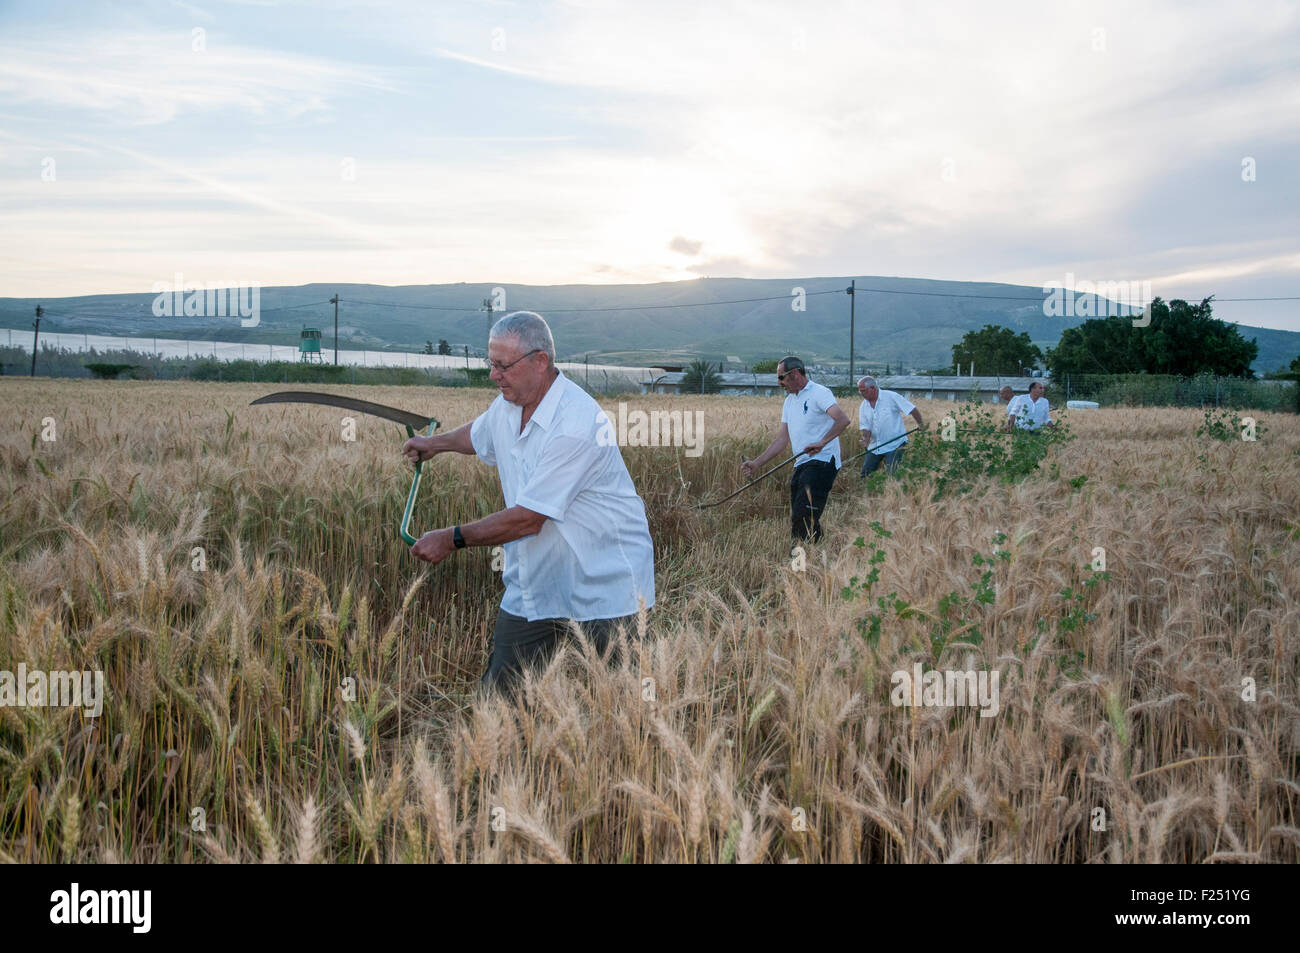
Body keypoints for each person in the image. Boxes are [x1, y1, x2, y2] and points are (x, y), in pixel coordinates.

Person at [401, 311, 655, 696]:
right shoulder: (508, 403)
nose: (493, 375)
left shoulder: (576, 422)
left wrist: (451, 538)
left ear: (540, 361)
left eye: (503, 366)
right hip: (536, 578)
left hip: (604, 581)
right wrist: (435, 444)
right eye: (491, 364)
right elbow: (481, 433)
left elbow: (528, 519)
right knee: (501, 699)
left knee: (624, 701)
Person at [741, 356, 850, 543]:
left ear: (795, 374)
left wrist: (822, 442)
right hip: (802, 462)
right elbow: (782, 440)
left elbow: (843, 420)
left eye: (781, 377)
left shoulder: (819, 393)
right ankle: (818, 550)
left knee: (803, 513)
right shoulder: (789, 402)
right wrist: (756, 463)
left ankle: (802, 554)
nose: (779, 382)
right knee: (801, 514)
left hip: (822, 461)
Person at [857, 376, 923, 478]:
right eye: (860, 391)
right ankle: (869, 493)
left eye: (864, 391)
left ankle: (894, 492)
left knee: (894, 475)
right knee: (866, 474)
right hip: (875, 446)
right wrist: (865, 439)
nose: (861, 394)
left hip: (895, 444)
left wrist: (921, 425)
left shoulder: (891, 397)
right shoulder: (863, 406)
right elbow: (866, 427)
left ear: (873, 388)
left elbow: (912, 409)